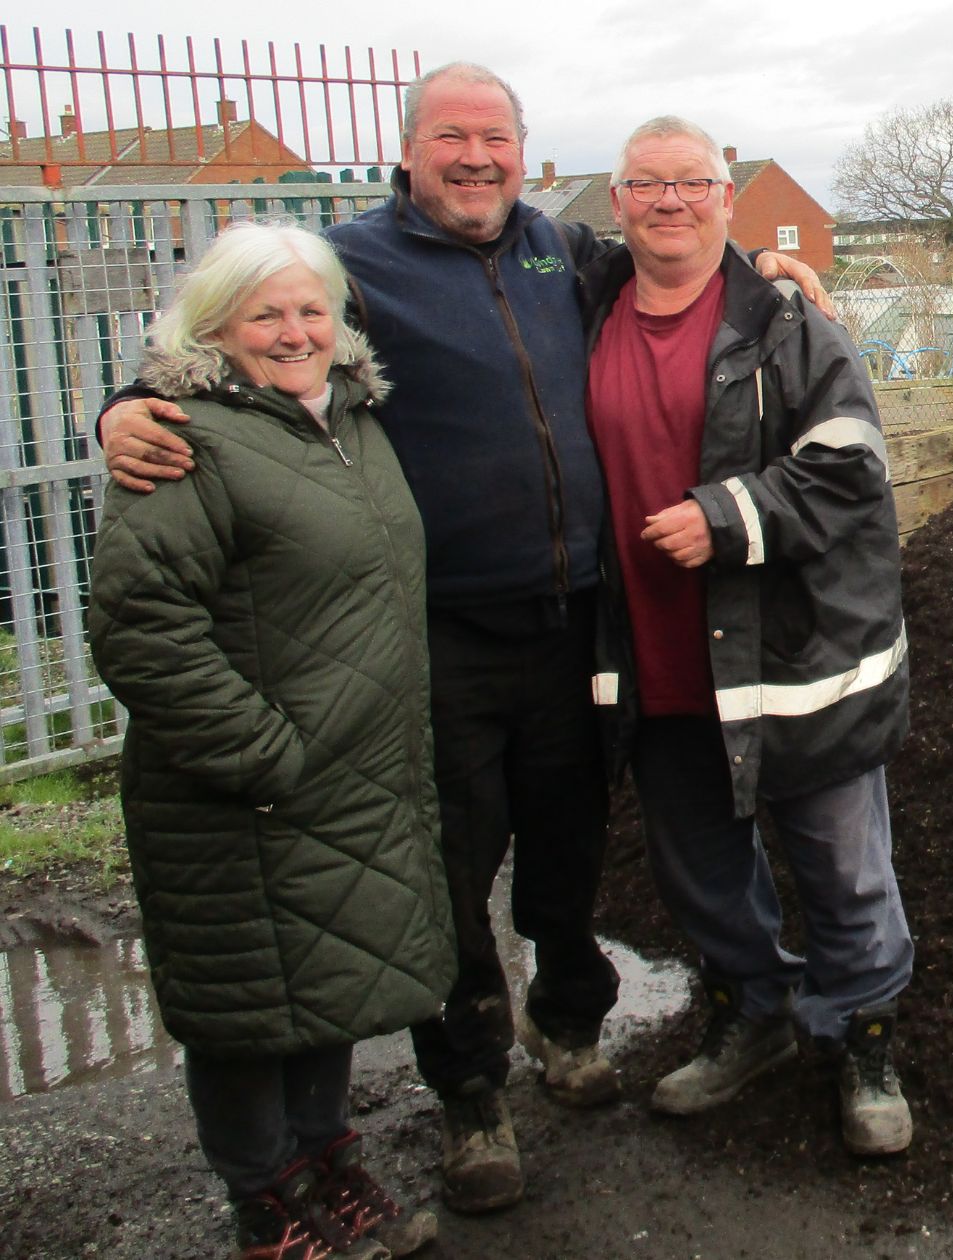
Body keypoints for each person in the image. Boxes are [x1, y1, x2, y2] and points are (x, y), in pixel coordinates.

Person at [93, 63, 836, 1214]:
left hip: (571, 624)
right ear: (410, 149)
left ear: (523, 146)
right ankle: (470, 1094)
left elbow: (678, 266)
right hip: (432, 638)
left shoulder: (560, 249)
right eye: (452, 139)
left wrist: (772, 270)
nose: (477, 159)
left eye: (496, 138)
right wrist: (123, 405)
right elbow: (242, 333)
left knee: (569, 843)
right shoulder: (355, 264)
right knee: (447, 871)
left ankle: (568, 1023)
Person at [88, 221, 451, 1260]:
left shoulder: (346, 420)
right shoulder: (182, 437)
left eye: (311, 310)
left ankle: (324, 1162)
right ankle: (265, 1198)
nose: (293, 332)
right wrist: (261, 756)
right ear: (216, 326)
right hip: (245, 783)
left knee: (322, 981)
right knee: (251, 1000)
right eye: (265, 314)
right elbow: (140, 625)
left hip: (342, 771)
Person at [580, 116, 914, 1154]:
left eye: (692, 185)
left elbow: (851, 465)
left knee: (843, 872)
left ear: (728, 199)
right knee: (701, 872)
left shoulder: (787, 323)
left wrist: (727, 517)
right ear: (617, 201)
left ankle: (860, 1036)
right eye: (647, 185)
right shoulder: (581, 306)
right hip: (655, 656)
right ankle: (754, 1013)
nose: (669, 202)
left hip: (795, 665)